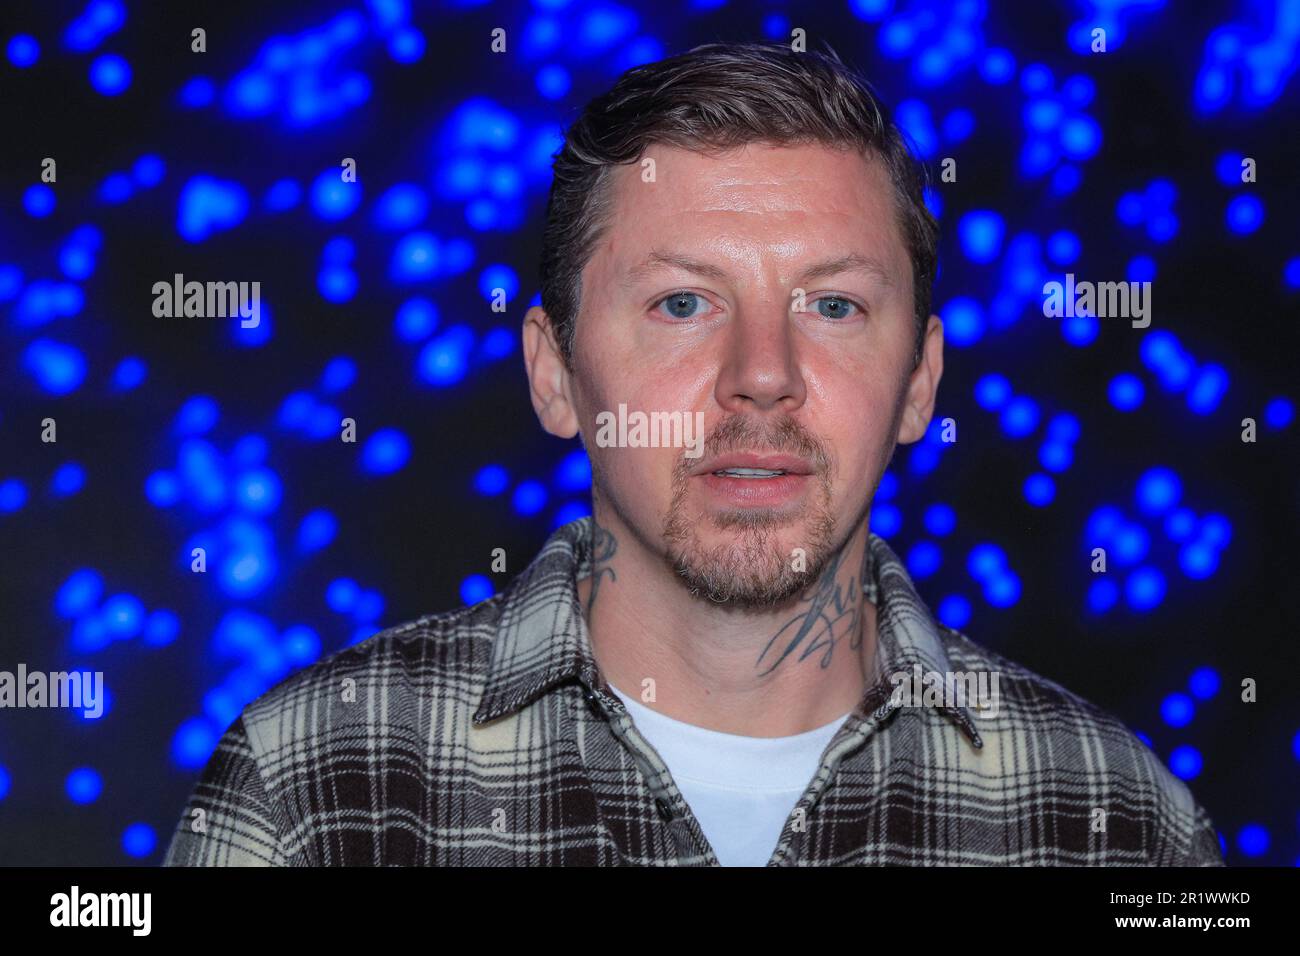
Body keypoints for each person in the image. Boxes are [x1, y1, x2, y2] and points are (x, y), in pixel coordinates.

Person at [164, 40, 1223, 866]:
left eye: (834, 304)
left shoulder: (1111, 817)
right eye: (681, 302)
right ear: (554, 372)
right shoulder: (318, 785)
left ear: (918, 384)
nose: (761, 372)